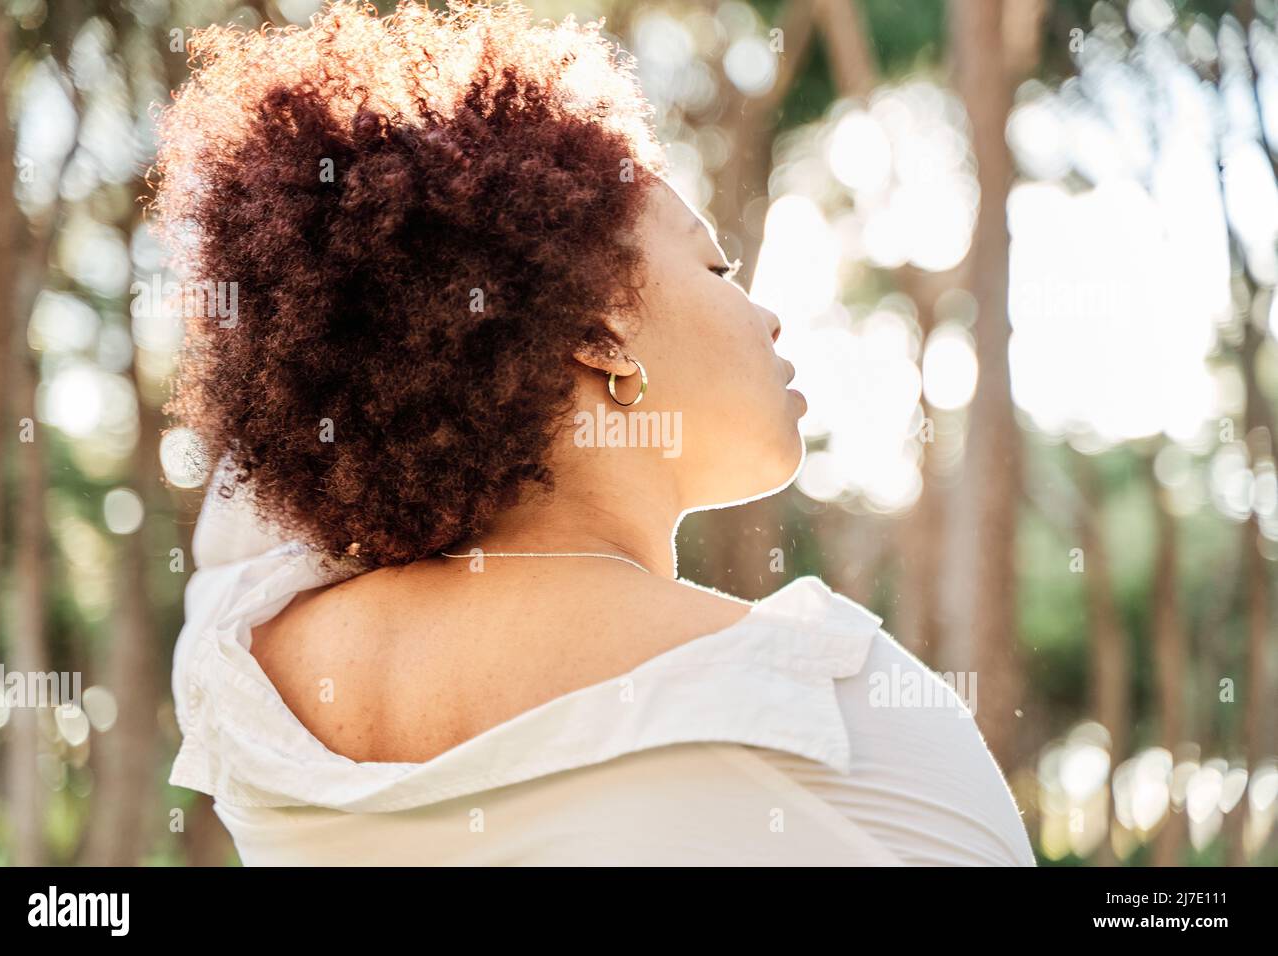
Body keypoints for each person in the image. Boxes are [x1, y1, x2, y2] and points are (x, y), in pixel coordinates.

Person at [160, 0, 1034, 866]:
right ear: (598, 327)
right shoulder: (832, 710)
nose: (764, 314)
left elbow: (249, 513)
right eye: (715, 264)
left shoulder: (243, 666)